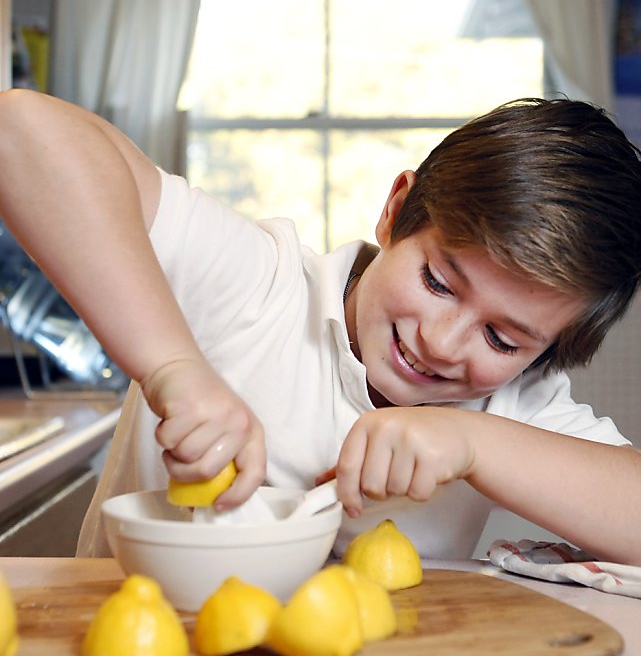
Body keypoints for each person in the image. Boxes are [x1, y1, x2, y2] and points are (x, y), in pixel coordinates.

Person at [1, 89, 640, 564]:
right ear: (394, 211)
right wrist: (174, 366)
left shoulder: (516, 407)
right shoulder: (260, 283)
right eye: (438, 283)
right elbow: (18, 129)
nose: (441, 344)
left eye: (503, 339)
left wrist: (473, 441)